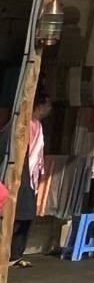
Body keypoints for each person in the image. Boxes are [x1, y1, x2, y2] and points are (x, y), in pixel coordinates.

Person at [9, 91, 50, 267]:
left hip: (30, 173)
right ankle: (11, 254)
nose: (49, 109)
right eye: (47, 105)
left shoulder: (37, 125)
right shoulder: (26, 124)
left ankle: (15, 254)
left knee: (26, 215)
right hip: (21, 169)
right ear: (39, 106)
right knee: (21, 214)